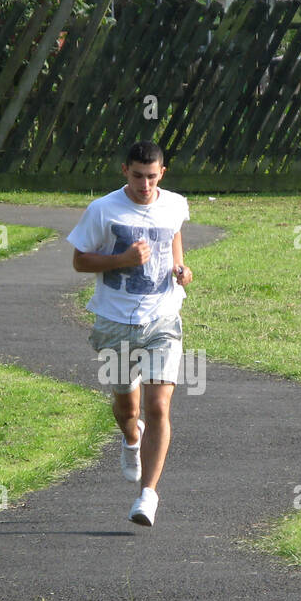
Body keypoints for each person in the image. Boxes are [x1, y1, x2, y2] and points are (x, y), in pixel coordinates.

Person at [66, 141, 193, 527]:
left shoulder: (174, 204)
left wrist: (182, 270)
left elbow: (173, 241)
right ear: (125, 171)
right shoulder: (103, 209)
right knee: (128, 409)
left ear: (162, 173)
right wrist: (121, 260)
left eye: (152, 176)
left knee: (158, 407)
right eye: (137, 176)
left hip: (163, 318)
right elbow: (79, 261)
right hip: (114, 320)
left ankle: (148, 496)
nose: (145, 184)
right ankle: (131, 438)